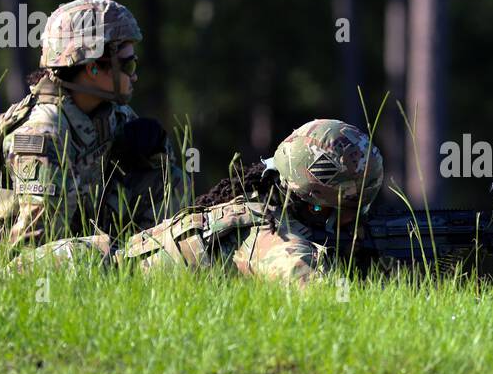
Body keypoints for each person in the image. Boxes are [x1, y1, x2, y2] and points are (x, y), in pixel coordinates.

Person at [0, 0, 187, 259]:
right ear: (92, 67)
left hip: (62, 248)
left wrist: (156, 157)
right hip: (0, 270)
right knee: (84, 254)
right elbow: (33, 250)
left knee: (163, 175)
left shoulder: (110, 114)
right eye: (128, 65)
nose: (134, 75)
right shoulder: (41, 135)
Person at [108, 118, 384, 284]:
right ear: (318, 204)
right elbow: (329, 305)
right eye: (355, 209)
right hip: (88, 266)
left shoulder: (266, 202)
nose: (359, 220)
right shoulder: (275, 238)